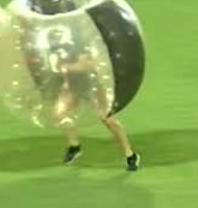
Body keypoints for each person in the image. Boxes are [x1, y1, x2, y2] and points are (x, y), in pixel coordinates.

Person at [38, 26, 142, 172]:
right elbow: (54, 69)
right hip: (72, 86)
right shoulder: (53, 51)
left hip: (91, 86)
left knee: (107, 119)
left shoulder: (78, 46)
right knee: (60, 113)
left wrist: (66, 67)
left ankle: (130, 154)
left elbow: (86, 65)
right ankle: (74, 146)